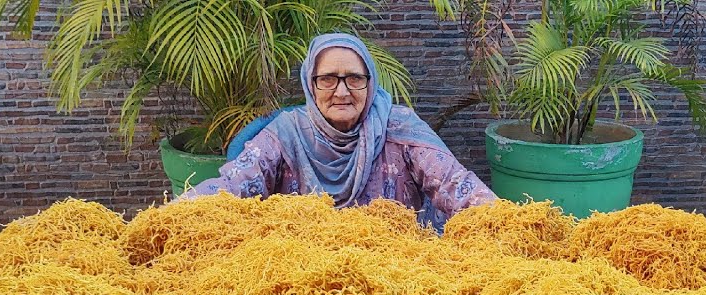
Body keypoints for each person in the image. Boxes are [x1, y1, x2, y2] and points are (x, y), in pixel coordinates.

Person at [182, 33, 496, 228]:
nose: (342, 92)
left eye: (354, 79)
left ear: (370, 82)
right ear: (311, 84)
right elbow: (235, 184)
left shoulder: (398, 126)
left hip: (399, 275)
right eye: (328, 79)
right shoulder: (286, 133)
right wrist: (176, 216)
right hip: (303, 277)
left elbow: (454, 183)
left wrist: (505, 220)